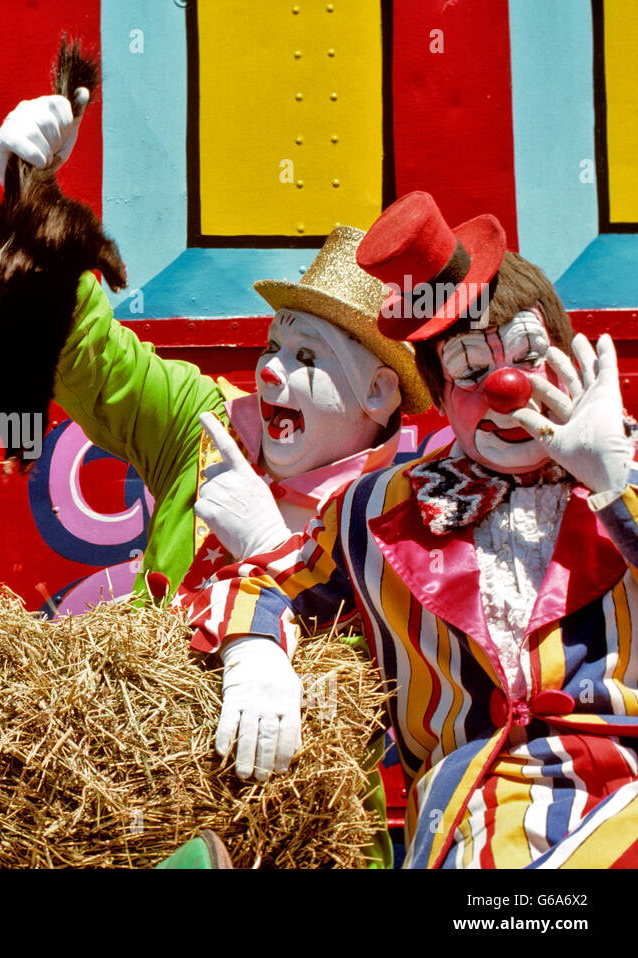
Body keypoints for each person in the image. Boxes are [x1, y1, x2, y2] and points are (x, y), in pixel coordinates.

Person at [0, 95, 429, 787]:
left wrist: (269, 552)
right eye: (273, 346)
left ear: (377, 394)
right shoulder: (210, 423)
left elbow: (388, 698)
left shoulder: (402, 517)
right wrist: (32, 200)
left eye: (307, 360)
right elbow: (84, 356)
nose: (271, 370)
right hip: (138, 802)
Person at [196, 190, 638, 867]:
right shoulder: (374, 512)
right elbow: (272, 580)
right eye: (471, 372)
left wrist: (617, 486)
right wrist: (255, 653)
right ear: (438, 391)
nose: (508, 387)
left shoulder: (625, 472)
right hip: (474, 828)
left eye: (524, 353)